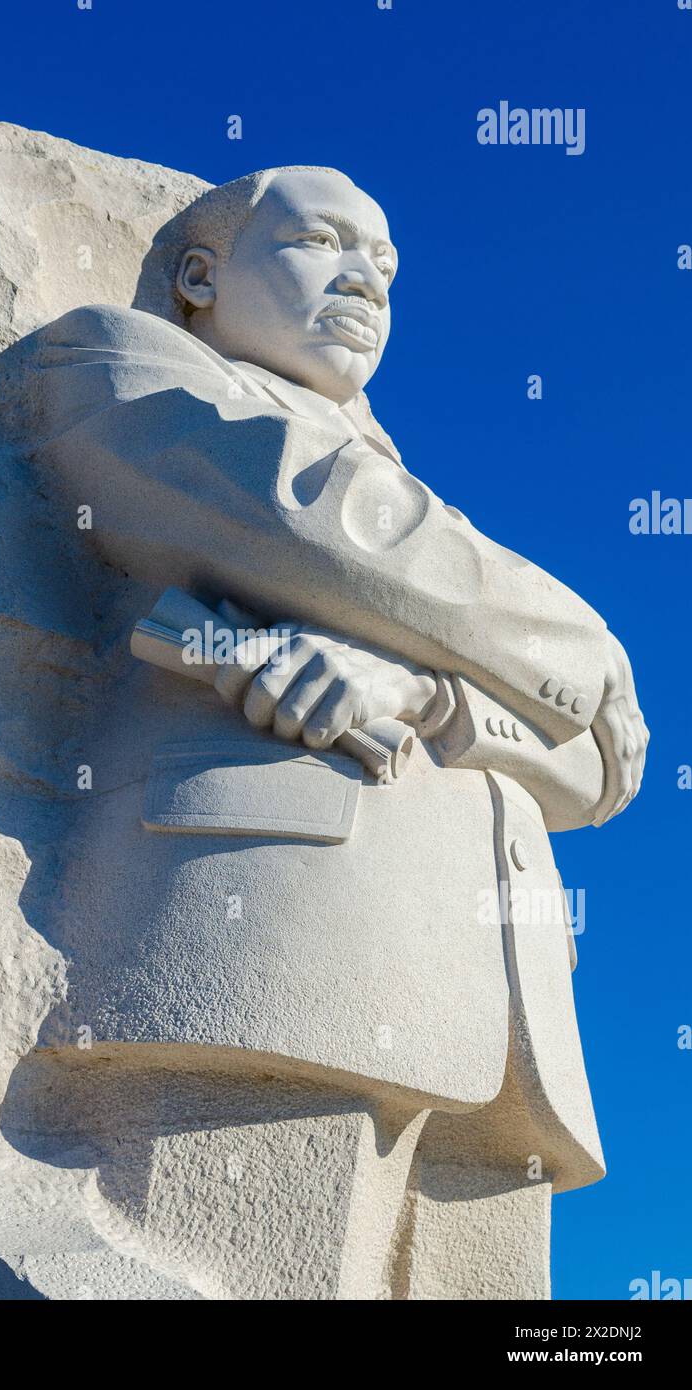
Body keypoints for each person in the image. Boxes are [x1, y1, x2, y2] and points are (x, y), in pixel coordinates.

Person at [33, 166, 648, 1299]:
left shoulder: (426, 513)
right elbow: (314, 525)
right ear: (200, 276)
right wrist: (582, 649)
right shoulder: (111, 363)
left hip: (497, 989)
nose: (366, 278)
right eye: (322, 241)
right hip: (278, 935)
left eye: (387, 266)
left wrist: (418, 690)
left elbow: (605, 762)